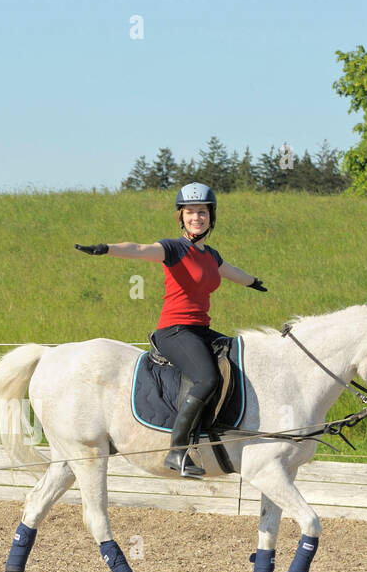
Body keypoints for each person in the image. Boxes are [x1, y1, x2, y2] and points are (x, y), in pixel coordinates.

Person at [75, 183, 267, 475]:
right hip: (174, 331)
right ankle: (177, 451)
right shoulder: (173, 248)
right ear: (181, 216)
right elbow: (139, 249)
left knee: (240, 358)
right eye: (190, 212)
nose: (196, 217)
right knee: (206, 378)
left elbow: (229, 271)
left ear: (210, 217)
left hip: (201, 329)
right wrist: (108, 249)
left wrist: (252, 281)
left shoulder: (211, 255)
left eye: (202, 212)